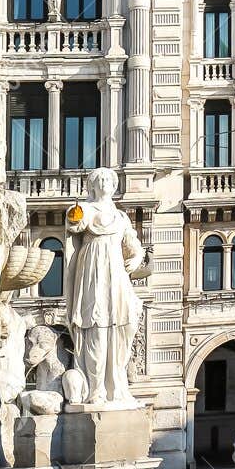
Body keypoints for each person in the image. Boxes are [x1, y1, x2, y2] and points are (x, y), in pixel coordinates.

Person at [63, 168, 145, 408]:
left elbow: (131, 241)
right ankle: (96, 390)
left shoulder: (120, 216)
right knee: (96, 325)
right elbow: (74, 224)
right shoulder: (87, 209)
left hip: (116, 272)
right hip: (93, 270)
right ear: (93, 185)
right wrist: (74, 214)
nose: (106, 183)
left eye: (109, 180)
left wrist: (138, 256)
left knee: (122, 324)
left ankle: (117, 386)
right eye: (101, 180)